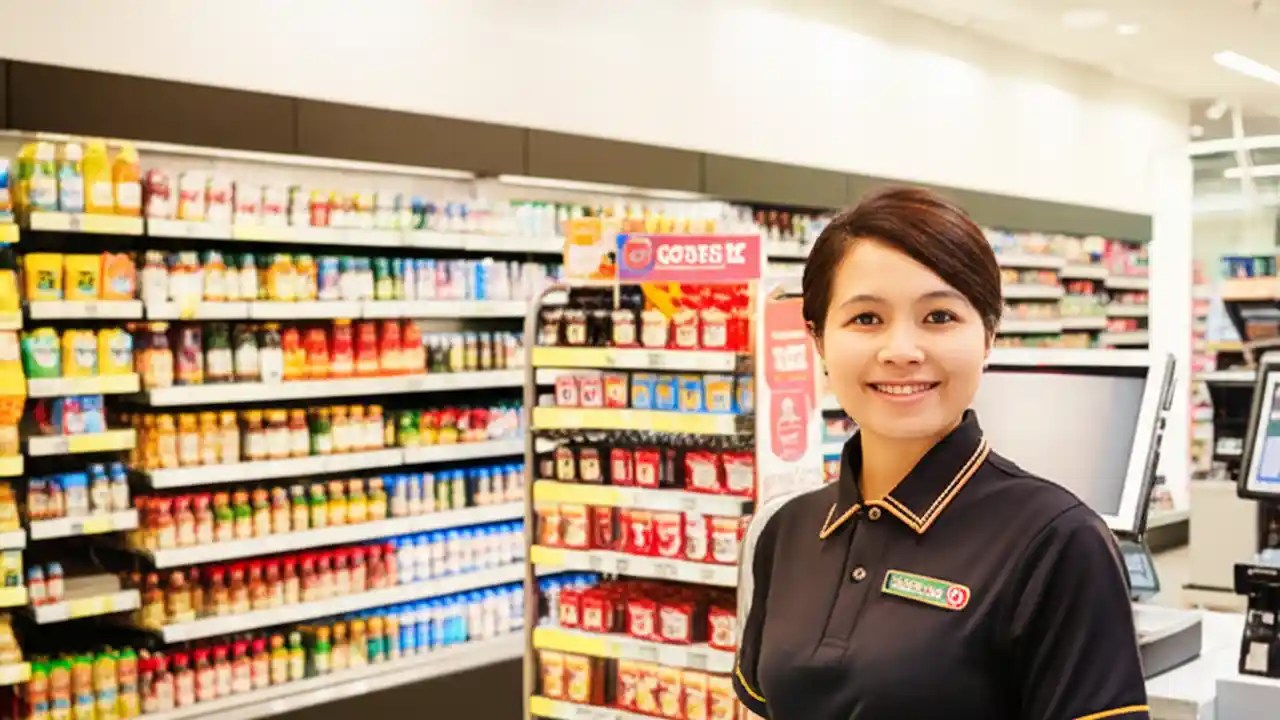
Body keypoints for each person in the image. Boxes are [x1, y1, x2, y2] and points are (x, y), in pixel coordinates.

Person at [733, 187, 1149, 720]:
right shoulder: (785, 531)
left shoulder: (1058, 542)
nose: (902, 351)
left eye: (939, 317)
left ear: (988, 336)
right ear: (818, 340)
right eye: (866, 319)